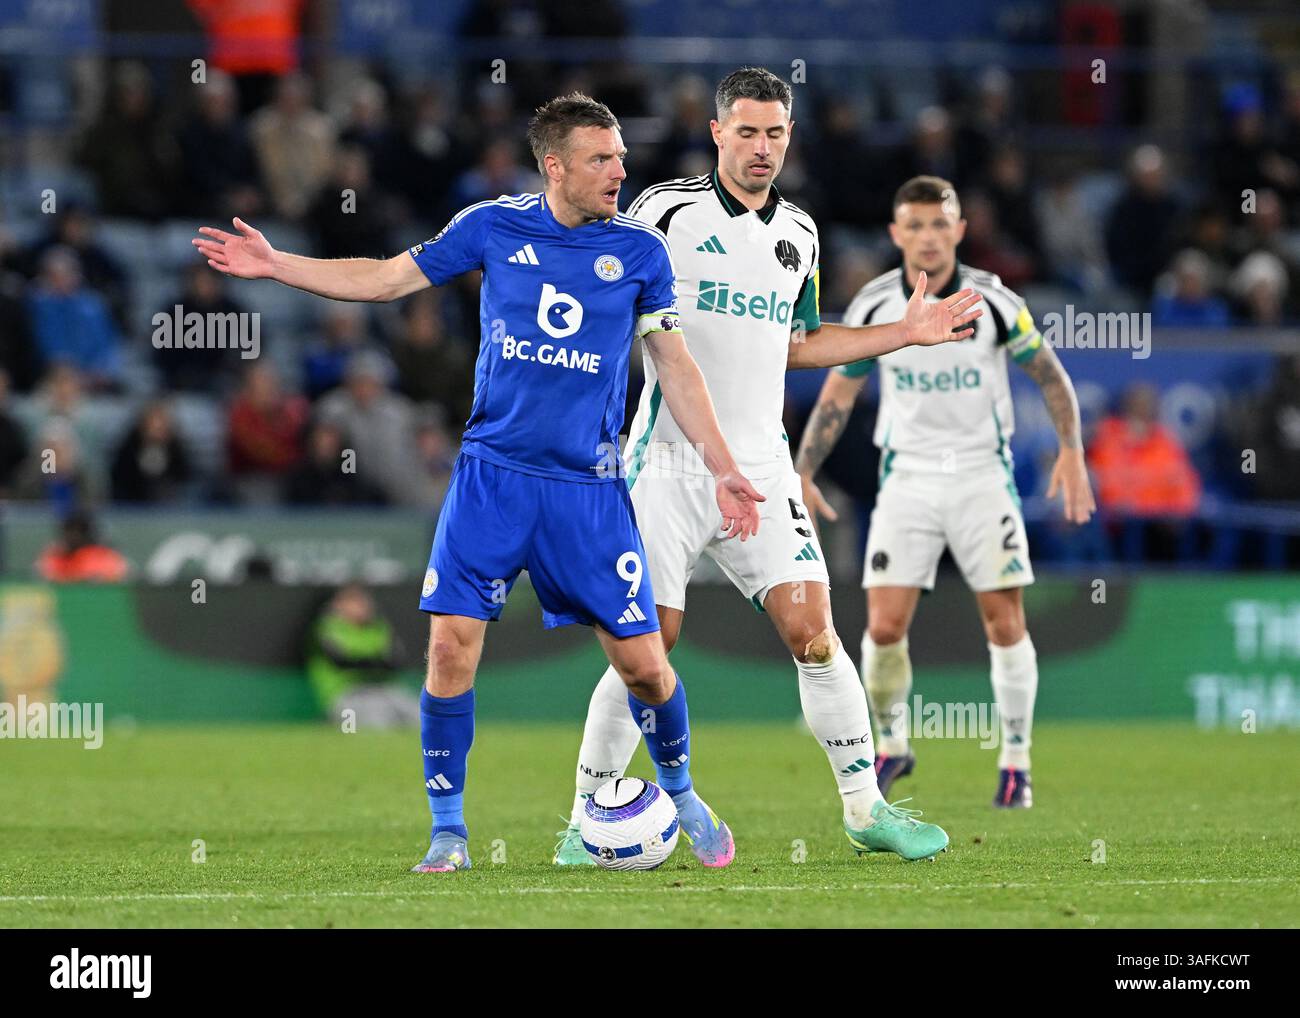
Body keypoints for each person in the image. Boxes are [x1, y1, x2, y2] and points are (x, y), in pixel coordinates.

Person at [194, 92, 765, 874]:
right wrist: (277, 265)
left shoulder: (640, 254)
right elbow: (387, 280)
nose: (620, 170)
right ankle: (449, 832)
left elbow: (674, 364)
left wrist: (725, 467)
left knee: (644, 666)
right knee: (447, 654)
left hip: (586, 491)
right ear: (555, 166)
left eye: (622, 156)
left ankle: (683, 792)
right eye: (602, 158)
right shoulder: (492, 226)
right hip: (491, 479)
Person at [556, 69, 980, 867]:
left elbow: (800, 344)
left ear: (790, 137)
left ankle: (866, 810)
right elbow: (599, 287)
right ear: (716, 133)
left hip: (761, 467)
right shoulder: (663, 212)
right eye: (745, 132)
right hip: (669, 467)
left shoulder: (800, 234)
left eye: (775, 134)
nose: (761, 149)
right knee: (651, 647)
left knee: (815, 633)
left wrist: (902, 333)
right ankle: (586, 817)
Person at [795, 175, 1096, 809]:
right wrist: (803, 469)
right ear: (895, 234)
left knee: (1004, 620)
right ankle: (894, 744)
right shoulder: (876, 305)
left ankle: (1016, 761)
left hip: (984, 477)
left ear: (960, 231)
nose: (928, 237)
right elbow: (838, 394)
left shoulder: (993, 301)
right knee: (883, 624)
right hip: (907, 478)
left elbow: (1050, 374)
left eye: (941, 225)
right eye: (916, 225)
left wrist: (1072, 452)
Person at [306, 585, 418, 729]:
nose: (361, 607)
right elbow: (342, 662)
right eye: (353, 603)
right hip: (346, 694)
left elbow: (395, 662)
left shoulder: (379, 628)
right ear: (338, 606)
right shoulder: (327, 629)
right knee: (374, 726)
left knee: (422, 718)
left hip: (384, 689)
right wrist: (374, 662)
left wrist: (364, 662)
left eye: (362, 603)